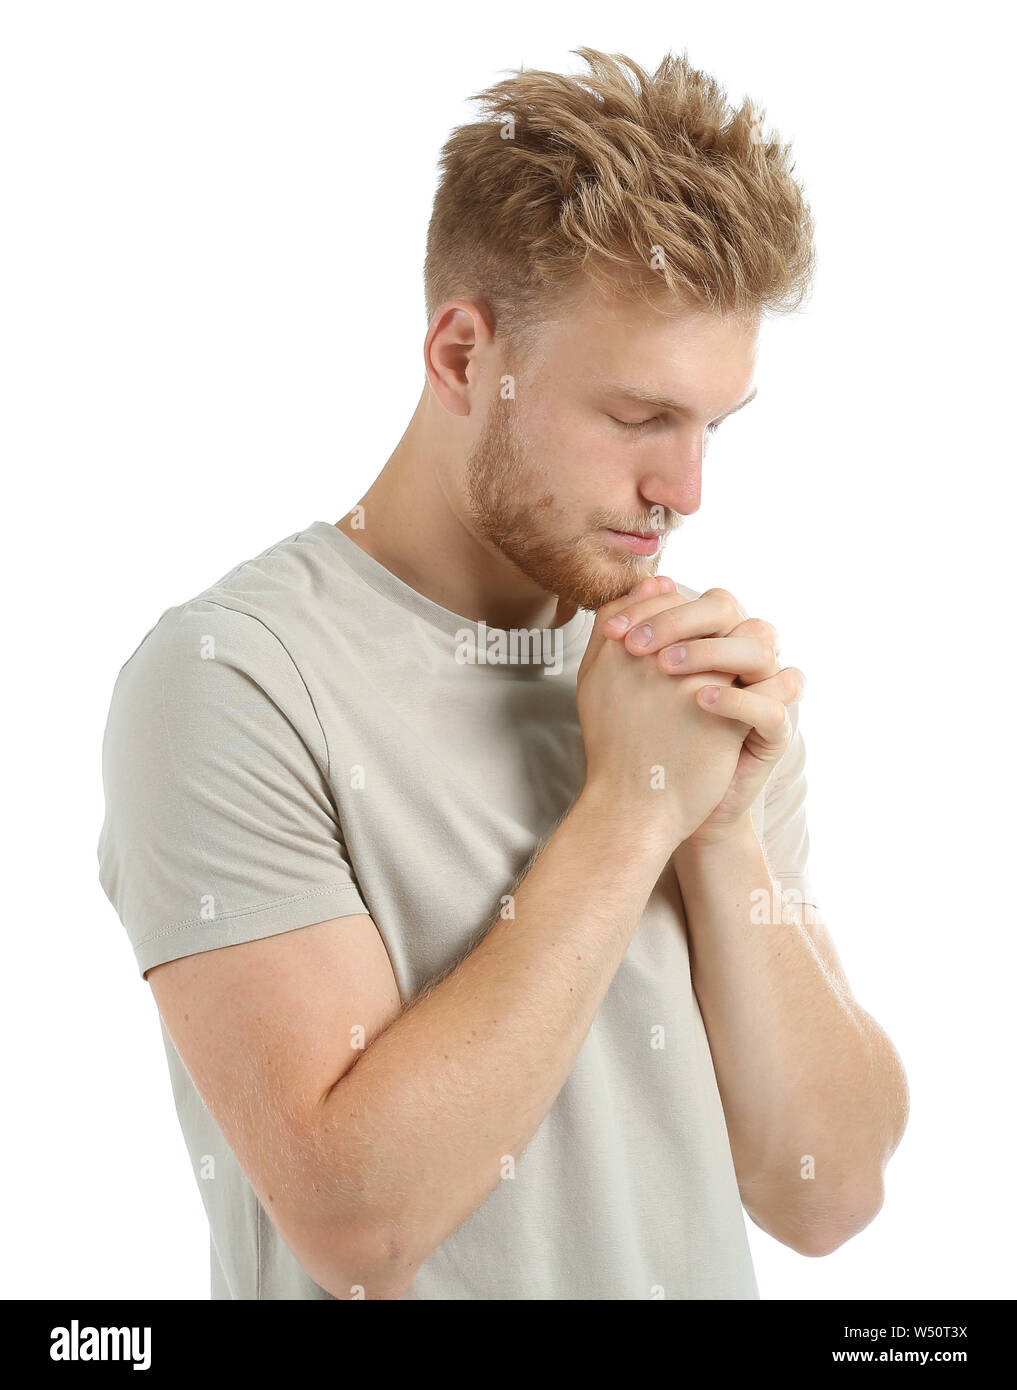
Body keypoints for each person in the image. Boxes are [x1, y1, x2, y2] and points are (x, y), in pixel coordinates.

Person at [97, 46, 908, 1300]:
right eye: (640, 419)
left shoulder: (689, 691)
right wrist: (633, 811)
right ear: (466, 356)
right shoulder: (233, 682)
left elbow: (828, 1193)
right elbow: (358, 1225)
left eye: (713, 426)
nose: (686, 493)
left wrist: (724, 827)